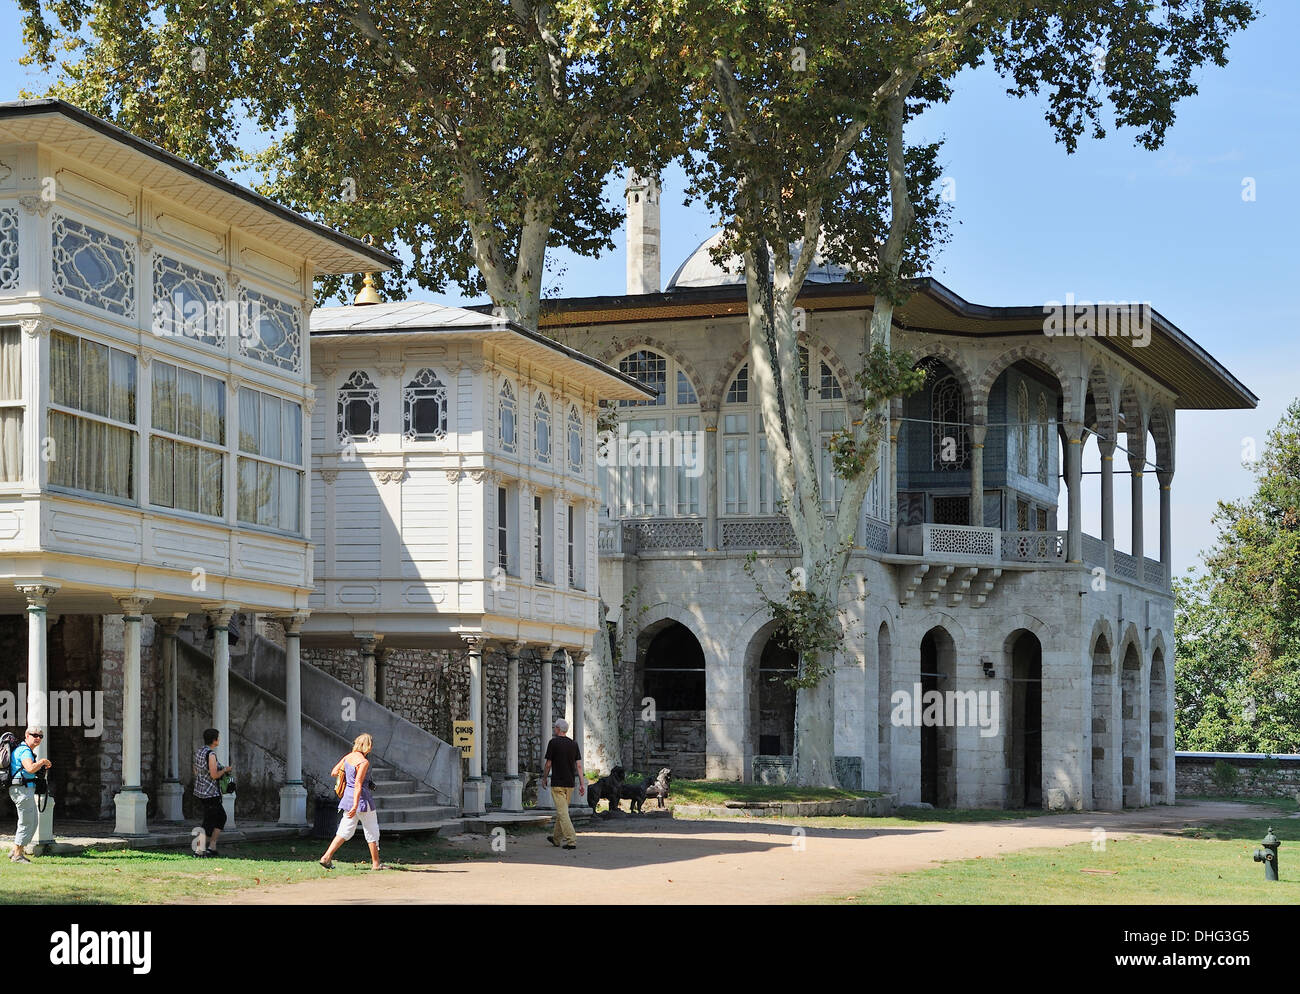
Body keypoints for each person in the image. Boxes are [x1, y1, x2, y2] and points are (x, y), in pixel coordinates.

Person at [320, 732, 385, 870]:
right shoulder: (363, 762)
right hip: (361, 800)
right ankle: (376, 863)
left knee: (344, 830)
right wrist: (356, 804)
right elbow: (358, 784)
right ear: (368, 746)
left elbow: (334, 772)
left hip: (347, 799)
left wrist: (349, 776)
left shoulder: (348, 757)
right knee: (372, 830)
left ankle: (326, 857)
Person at [9, 726, 50, 863]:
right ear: (27, 735)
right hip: (22, 790)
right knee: (26, 822)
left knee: (32, 822)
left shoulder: (24, 750)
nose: (38, 738)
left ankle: (15, 850)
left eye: (40, 736)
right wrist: (42, 761)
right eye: (34, 735)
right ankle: (17, 855)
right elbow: (30, 768)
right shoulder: (25, 751)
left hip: (24, 790)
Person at [542, 718, 584, 850]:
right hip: (570, 784)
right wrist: (582, 784)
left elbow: (548, 764)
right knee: (562, 811)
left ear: (558, 729)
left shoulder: (553, 743)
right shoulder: (574, 744)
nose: (554, 729)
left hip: (557, 783)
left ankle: (571, 840)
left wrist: (544, 778)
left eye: (555, 727)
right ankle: (556, 838)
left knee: (563, 813)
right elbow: (579, 766)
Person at [193, 728, 233, 857]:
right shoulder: (210, 754)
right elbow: (214, 775)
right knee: (209, 821)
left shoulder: (200, 751)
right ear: (214, 740)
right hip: (210, 793)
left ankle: (212, 846)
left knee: (220, 817)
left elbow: (195, 770)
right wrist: (225, 770)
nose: (219, 740)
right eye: (218, 738)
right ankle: (199, 849)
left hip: (201, 791)